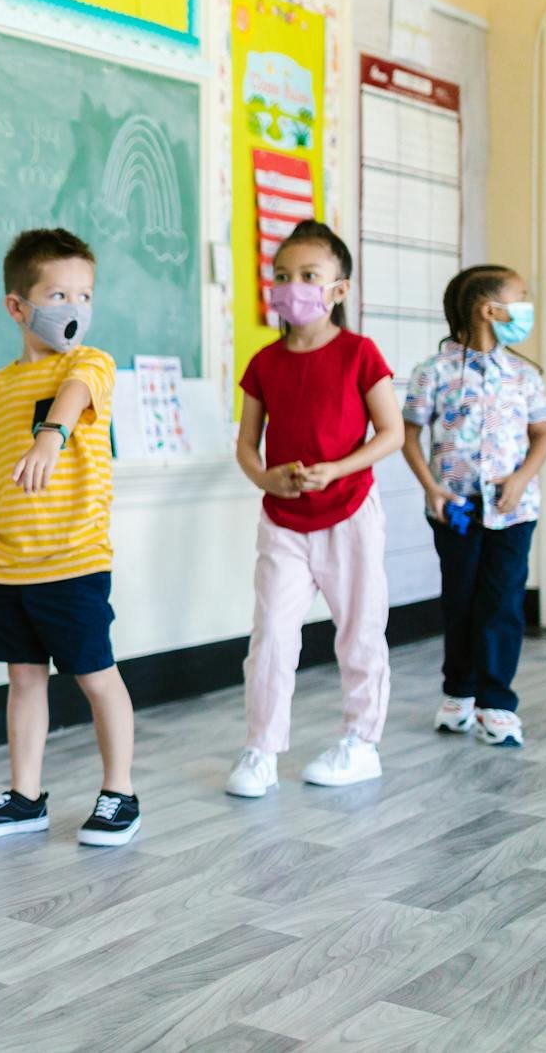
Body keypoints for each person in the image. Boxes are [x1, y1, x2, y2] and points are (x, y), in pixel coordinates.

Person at [0, 229, 140, 847]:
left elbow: (75, 395)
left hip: (74, 563)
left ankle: (119, 793)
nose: (75, 308)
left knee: (95, 676)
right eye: (59, 293)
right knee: (24, 680)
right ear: (18, 306)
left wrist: (51, 435)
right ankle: (25, 797)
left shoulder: (90, 364)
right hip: (3, 571)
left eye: (85, 294)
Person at [227, 220, 402, 799]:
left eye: (308, 275)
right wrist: (266, 478)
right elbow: (247, 446)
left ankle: (361, 742)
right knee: (272, 636)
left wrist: (339, 468)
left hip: (350, 513)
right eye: (282, 276)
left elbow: (392, 433)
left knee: (359, 630)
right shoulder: (265, 363)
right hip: (284, 522)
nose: (292, 285)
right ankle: (261, 750)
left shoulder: (359, 354)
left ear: (339, 290)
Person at [402, 265, 546, 748]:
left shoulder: (523, 375)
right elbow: (409, 435)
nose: (527, 307)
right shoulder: (434, 373)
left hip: (513, 510)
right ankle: (459, 691)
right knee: (461, 599)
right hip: (456, 510)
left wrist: (520, 479)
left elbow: (543, 436)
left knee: (503, 602)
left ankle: (497, 703)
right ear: (491, 310)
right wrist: (432, 488)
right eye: (521, 297)